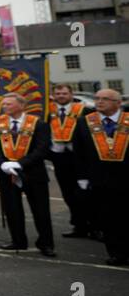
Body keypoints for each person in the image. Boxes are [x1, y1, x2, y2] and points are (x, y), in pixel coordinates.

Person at [0, 93, 55, 256]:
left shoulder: (38, 124)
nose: (5, 106)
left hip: (33, 173)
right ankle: (18, 240)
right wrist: (2, 162)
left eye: (9, 104)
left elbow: (42, 149)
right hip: (6, 172)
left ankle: (46, 243)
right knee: (12, 209)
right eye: (4, 104)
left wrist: (20, 163)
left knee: (41, 210)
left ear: (21, 106)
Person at [72, 88, 129, 266]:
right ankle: (116, 253)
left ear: (118, 103)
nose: (99, 102)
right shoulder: (84, 122)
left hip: (126, 179)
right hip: (100, 180)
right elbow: (78, 152)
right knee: (107, 218)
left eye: (105, 99)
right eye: (97, 98)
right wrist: (82, 177)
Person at [46, 84, 92, 239]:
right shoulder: (47, 110)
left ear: (71, 94)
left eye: (64, 93)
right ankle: (79, 226)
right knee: (68, 193)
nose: (61, 96)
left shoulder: (83, 109)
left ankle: (95, 225)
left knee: (86, 192)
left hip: (79, 156)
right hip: (59, 156)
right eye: (57, 93)